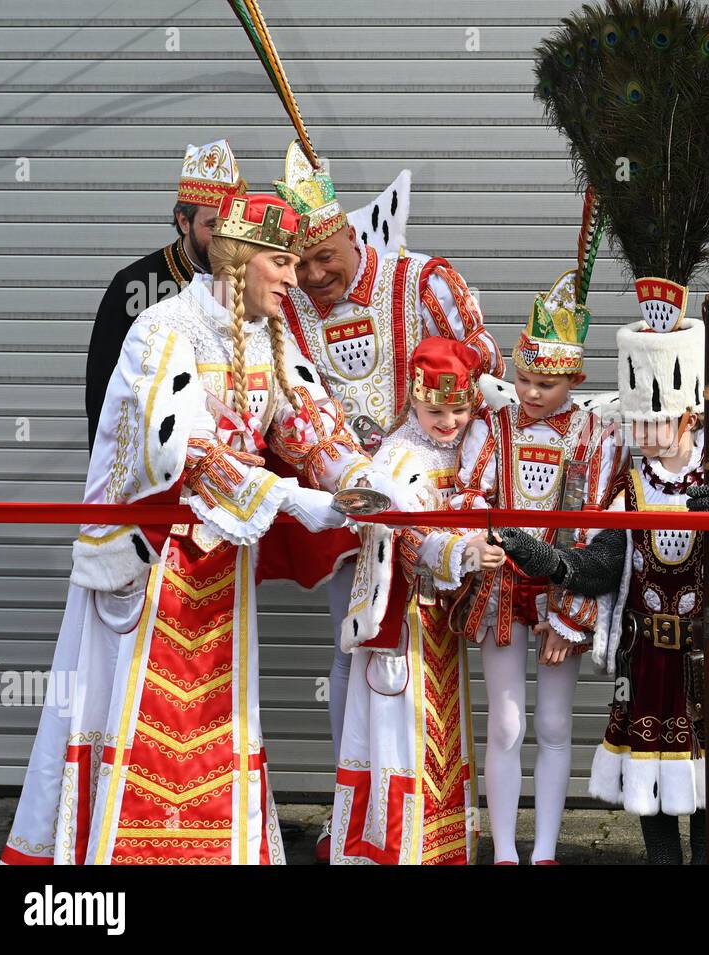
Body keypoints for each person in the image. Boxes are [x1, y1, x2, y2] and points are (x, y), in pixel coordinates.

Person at [2, 193, 371, 865]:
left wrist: (366, 483)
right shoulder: (162, 327)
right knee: (141, 718)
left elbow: (311, 425)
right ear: (238, 260)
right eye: (281, 262)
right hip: (151, 566)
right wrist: (293, 501)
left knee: (217, 725)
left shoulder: (268, 334)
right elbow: (190, 452)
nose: (294, 279)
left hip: (222, 567)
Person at [269, 140, 505, 860]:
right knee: (360, 648)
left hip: (434, 497)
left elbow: (484, 365)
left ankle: (428, 819)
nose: (314, 275)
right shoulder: (288, 313)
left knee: (432, 664)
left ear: (348, 230)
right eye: (300, 264)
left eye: (324, 258)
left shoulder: (422, 281)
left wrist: (467, 473)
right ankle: (359, 814)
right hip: (350, 509)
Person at [499, 311, 709, 864]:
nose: (643, 435)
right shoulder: (629, 490)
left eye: (656, 423)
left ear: (689, 419)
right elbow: (601, 566)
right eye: (637, 423)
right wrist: (547, 560)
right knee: (649, 786)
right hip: (647, 658)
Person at [451, 246, 627, 865]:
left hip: (561, 593)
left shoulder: (596, 436)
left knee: (553, 726)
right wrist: (477, 538)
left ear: (575, 381)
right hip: (502, 590)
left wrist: (570, 614)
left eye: (544, 384)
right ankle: (503, 853)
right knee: (504, 725)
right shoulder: (491, 427)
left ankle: (545, 852)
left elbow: (596, 526)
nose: (528, 391)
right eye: (523, 377)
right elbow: (469, 491)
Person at [330, 338, 505, 864]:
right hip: (402, 620)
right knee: (399, 732)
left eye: (460, 408)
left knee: (442, 732)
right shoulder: (398, 458)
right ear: (413, 401)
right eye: (436, 410)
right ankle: (393, 850)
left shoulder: (473, 443)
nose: (450, 421)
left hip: (439, 619)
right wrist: (462, 552)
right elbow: (399, 535)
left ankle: (439, 849)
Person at [85, 140, 245, 448]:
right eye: (214, 226)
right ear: (184, 222)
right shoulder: (134, 285)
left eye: (233, 225)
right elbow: (103, 398)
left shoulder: (250, 278)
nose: (226, 237)